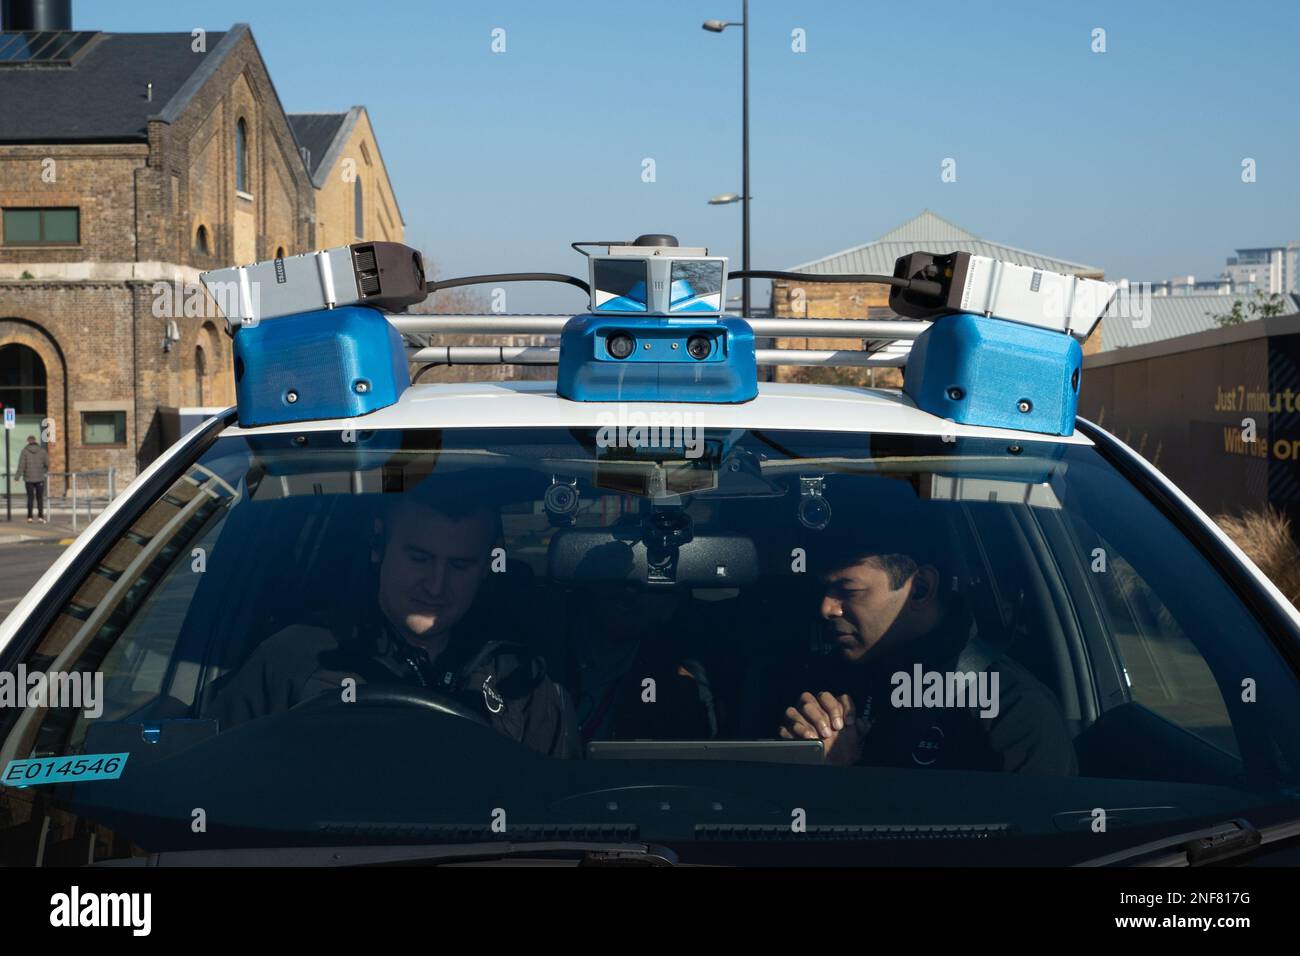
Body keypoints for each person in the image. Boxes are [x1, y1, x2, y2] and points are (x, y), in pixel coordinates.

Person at [206, 483, 579, 758]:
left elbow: (555, 812)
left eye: (459, 565)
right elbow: (217, 786)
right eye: (419, 558)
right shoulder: (294, 660)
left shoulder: (519, 682)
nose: (436, 586)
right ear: (378, 548)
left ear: (486, 568)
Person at [776, 508, 1077, 775]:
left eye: (848, 590)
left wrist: (841, 776)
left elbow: (1032, 836)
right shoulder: (825, 682)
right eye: (826, 590)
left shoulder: (1011, 711)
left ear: (920, 588)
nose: (827, 608)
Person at [16, 435, 48, 524]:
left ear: (28, 441)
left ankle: (30, 517)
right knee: (40, 498)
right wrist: (42, 471)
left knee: (30, 498)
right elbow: (47, 464)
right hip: (40, 479)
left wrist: (17, 477)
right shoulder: (42, 451)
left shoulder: (24, 451)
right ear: (35, 441)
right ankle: (40, 517)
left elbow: (21, 465)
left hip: (28, 479)